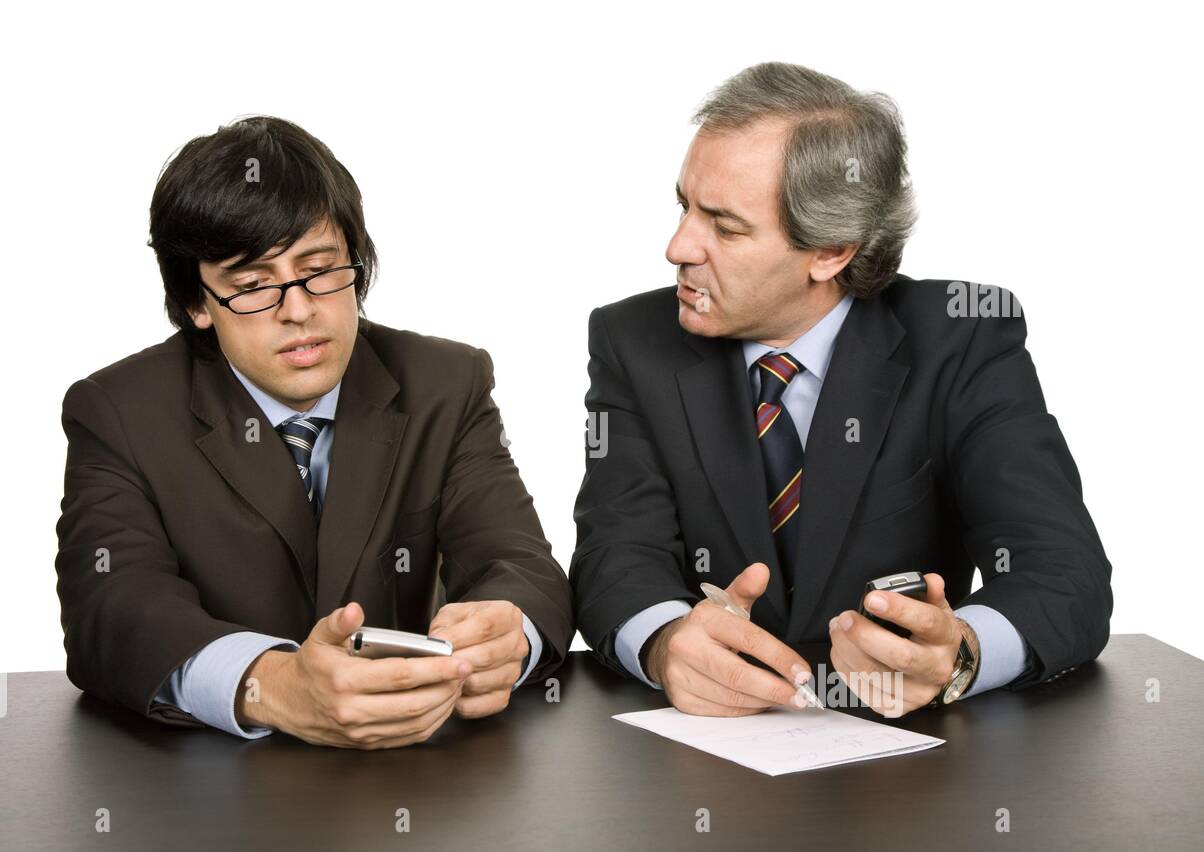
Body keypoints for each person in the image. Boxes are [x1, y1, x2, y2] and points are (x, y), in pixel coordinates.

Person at [570, 62, 1112, 717]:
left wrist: (959, 654)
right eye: (684, 206)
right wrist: (663, 642)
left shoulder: (962, 337)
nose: (677, 246)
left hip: (907, 773)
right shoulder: (634, 339)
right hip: (700, 754)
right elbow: (616, 553)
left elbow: (1063, 573)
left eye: (726, 225)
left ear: (830, 251)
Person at [56, 116, 573, 747]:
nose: (298, 310)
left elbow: (519, 562)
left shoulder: (446, 381)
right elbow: (110, 605)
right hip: (209, 802)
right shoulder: (118, 410)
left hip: (414, 781)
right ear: (197, 303)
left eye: (321, 271)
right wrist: (269, 684)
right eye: (252, 286)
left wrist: (503, 637)